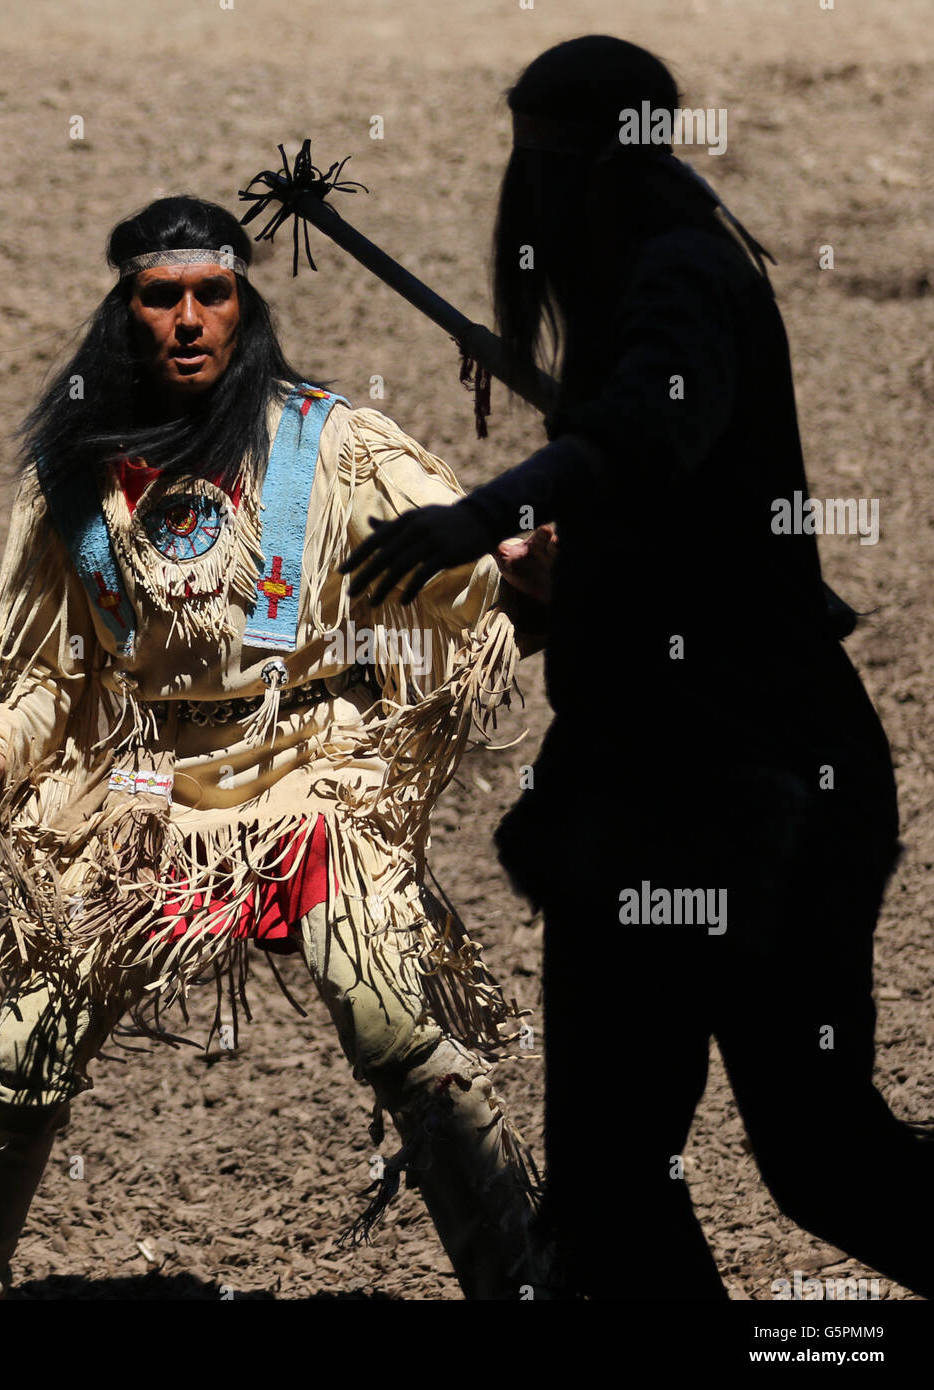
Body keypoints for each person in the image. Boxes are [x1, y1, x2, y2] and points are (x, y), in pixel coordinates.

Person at [0, 195, 543, 1301]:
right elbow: (52, 682)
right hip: (149, 797)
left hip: (314, 781)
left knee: (397, 1029)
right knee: (24, 1056)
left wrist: (527, 560)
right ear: (125, 311)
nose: (186, 319)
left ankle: (531, 1289)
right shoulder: (74, 480)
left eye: (209, 294)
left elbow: (471, 557)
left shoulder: (332, 443)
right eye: (159, 297)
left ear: (242, 302)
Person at [342, 35, 934, 1300]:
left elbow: (643, 431)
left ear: (570, 166)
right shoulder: (662, 267)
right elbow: (659, 516)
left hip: (729, 785)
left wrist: (475, 515)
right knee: (653, 1181)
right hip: (696, 772)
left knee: (798, 1157)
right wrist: (547, 574)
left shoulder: (675, 279)